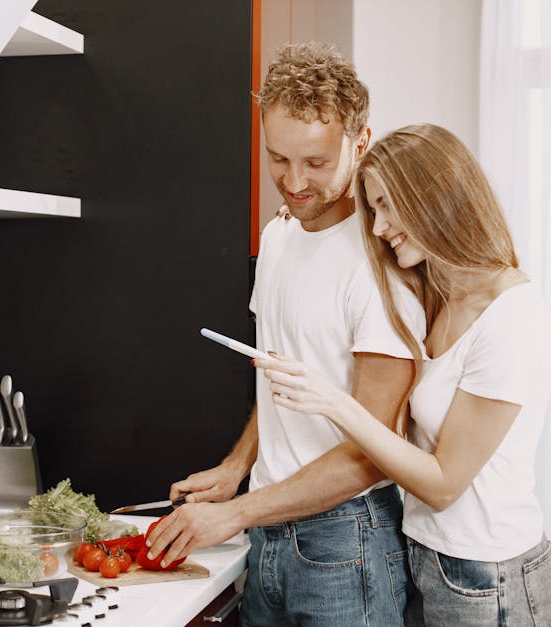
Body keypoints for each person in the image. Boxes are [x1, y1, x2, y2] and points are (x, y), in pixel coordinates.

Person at [145, 43, 426, 625]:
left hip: (347, 545)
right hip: (269, 532)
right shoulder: (278, 237)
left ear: (361, 142)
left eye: (317, 163)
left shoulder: (382, 264)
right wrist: (235, 468)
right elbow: (277, 370)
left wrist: (237, 513)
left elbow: (372, 456)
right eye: (277, 158)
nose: (293, 183)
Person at [256, 123, 551, 626]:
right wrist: (305, 215)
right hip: (429, 559)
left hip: (491, 578)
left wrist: (335, 403)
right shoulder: (440, 293)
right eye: (373, 209)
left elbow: (443, 485)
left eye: (389, 207)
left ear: (437, 200)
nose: (378, 227)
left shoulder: (512, 318)